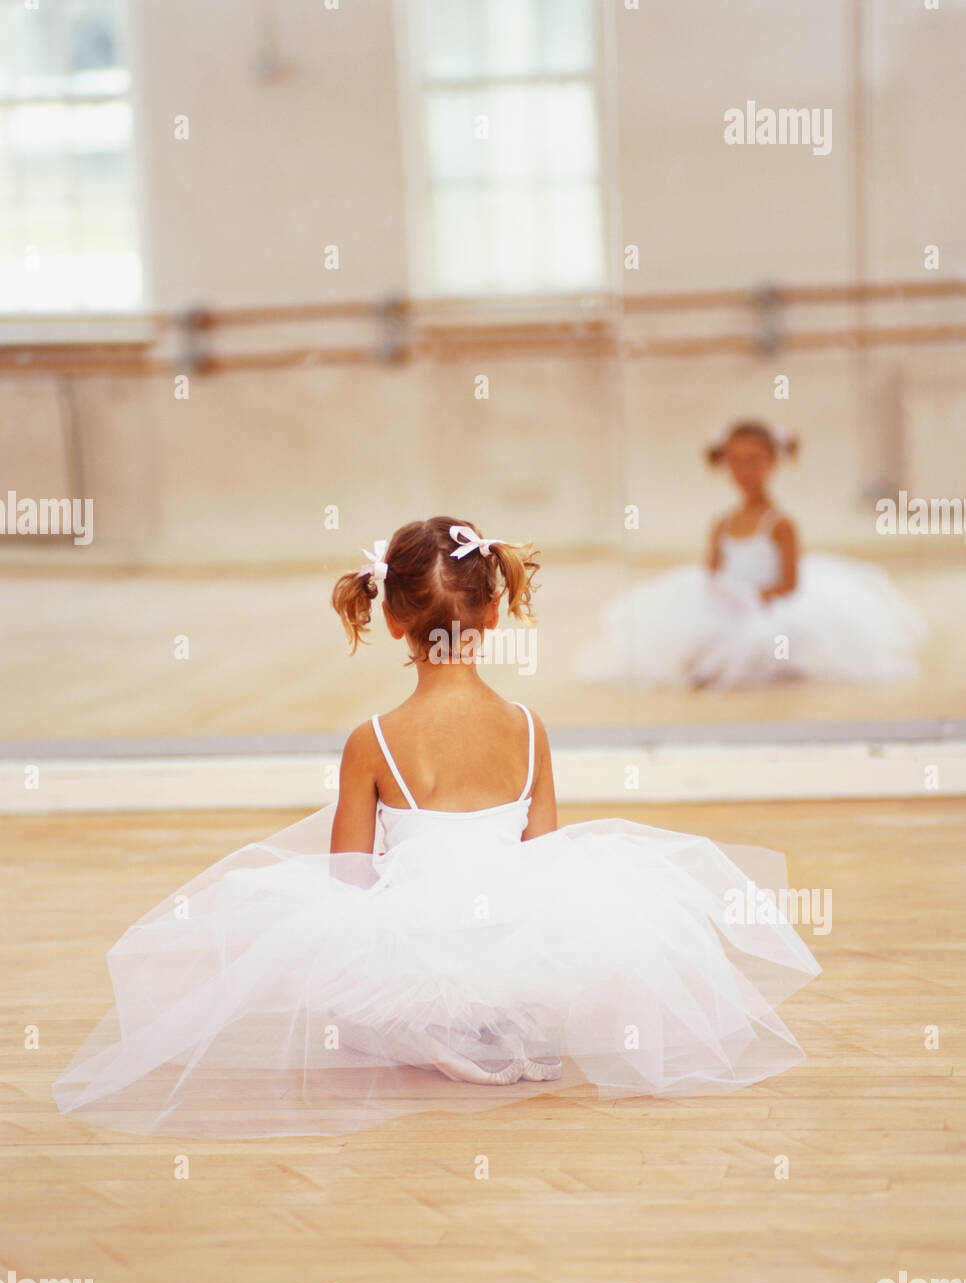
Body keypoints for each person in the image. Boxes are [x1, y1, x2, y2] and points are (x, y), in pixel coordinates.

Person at [53, 517, 821, 1139]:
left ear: (388, 617)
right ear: (494, 611)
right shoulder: (528, 727)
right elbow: (545, 861)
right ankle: (501, 1019)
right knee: (512, 947)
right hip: (515, 925)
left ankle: (443, 1027)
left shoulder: (373, 739)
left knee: (367, 976)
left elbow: (348, 882)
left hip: (418, 929)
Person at [580, 421, 927, 689]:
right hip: (728, 603)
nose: (744, 471)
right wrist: (724, 593)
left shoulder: (780, 523)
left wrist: (752, 596)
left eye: (754, 461)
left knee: (761, 638)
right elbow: (711, 573)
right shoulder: (722, 523)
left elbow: (790, 583)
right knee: (690, 633)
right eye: (735, 462)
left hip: (768, 605)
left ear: (772, 463)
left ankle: (766, 667)